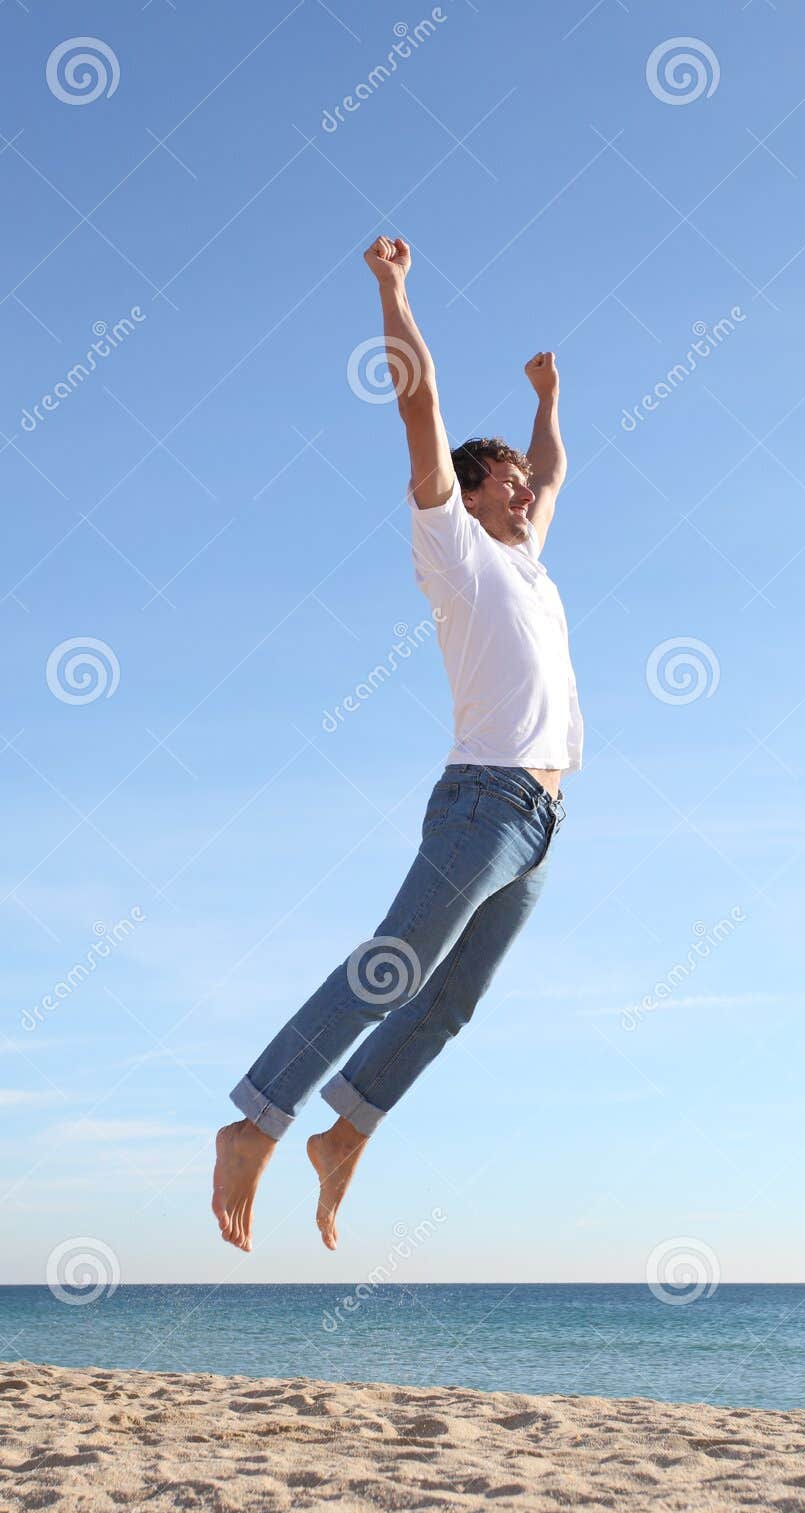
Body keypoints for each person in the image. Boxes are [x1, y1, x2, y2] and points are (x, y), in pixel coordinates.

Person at [211, 236, 584, 1253]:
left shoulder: (524, 557)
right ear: (469, 497)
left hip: (541, 823)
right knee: (394, 968)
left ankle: (348, 1132)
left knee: (452, 1000)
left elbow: (553, 470)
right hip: (484, 801)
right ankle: (255, 1119)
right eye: (504, 481)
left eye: (519, 483)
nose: (523, 491)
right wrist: (393, 289)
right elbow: (420, 410)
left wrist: (546, 402)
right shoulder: (454, 551)